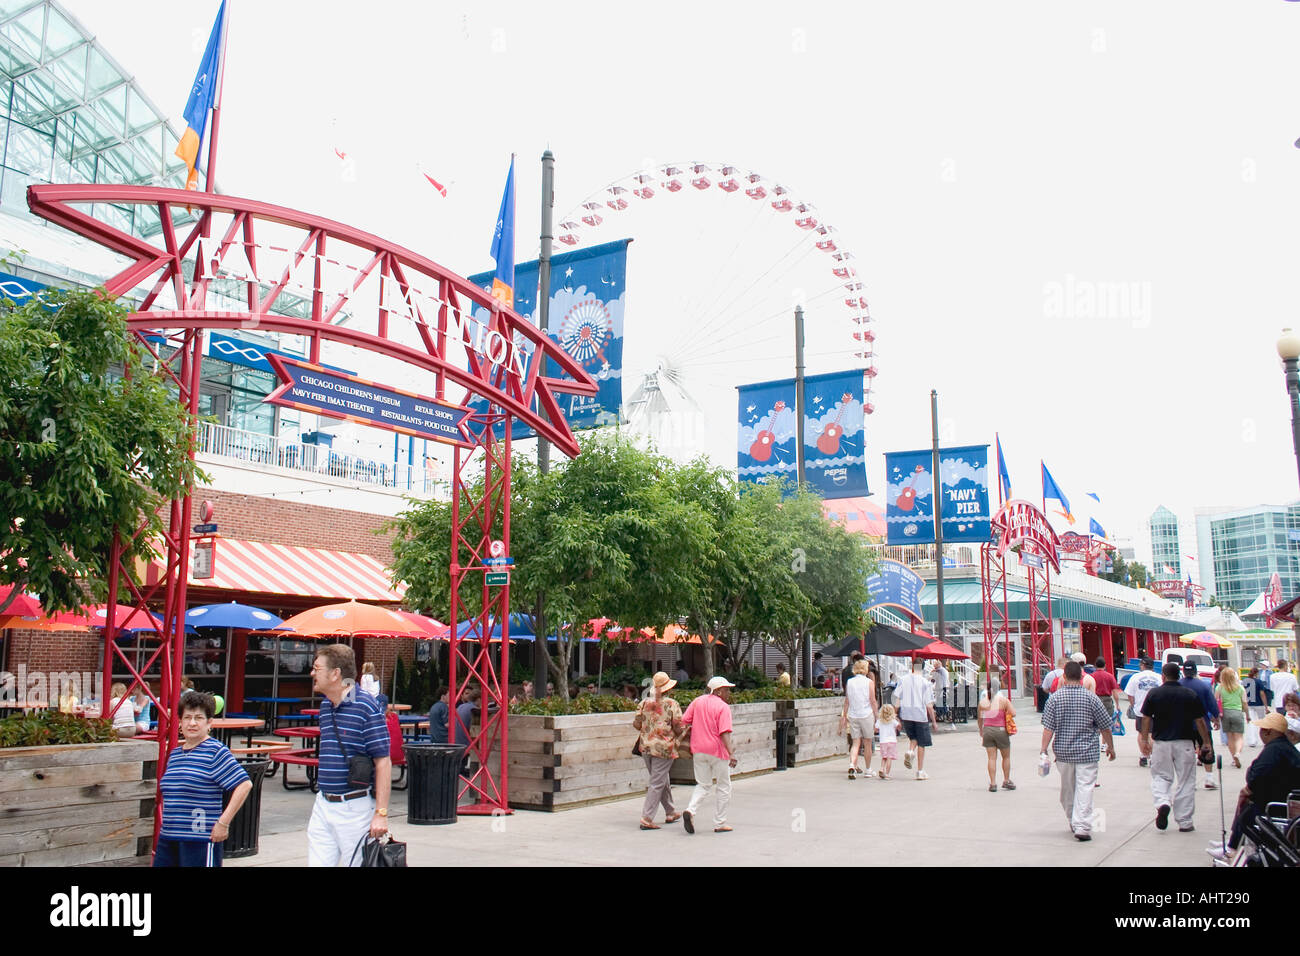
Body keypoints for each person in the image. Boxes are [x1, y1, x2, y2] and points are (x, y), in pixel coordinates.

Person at [307, 644, 391, 867]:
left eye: (317, 668)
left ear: (335, 674)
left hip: (354, 809)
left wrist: (381, 813)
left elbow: (383, 761)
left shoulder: (366, 707)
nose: (312, 673)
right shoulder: (326, 707)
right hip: (323, 803)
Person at [154, 691, 252, 867]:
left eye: (198, 718)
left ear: (209, 723)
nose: (192, 723)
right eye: (187, 717)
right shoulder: (175, 754)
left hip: (199, 839)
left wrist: (223, 823)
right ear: (180, 722)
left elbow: (244, 784)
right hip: (169, 837)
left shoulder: (215, 751)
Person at [1040, 660, 1116, 841]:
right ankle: (1082, 825)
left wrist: (1043, 749)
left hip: (1064, 752)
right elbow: (1105, 726)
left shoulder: (1055, 699)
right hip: (1087, 752)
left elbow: (1048, 728)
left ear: (1064, 677)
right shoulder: (1092, 698)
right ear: (1082, 677)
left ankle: (1073, 819)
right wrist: (1110, 747)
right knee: (1085, 787)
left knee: (1068, 788)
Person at [1139, 661, 1213, 834]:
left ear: (1163, 676)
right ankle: (1185, 821)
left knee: (1160, 776)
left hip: (1161, 742)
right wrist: (1205, 742)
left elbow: (1146, 718)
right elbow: (1200, 720)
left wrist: (1144, 739)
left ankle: (1163, 802)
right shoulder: (1189, 694)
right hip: (1185, 741)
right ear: (1179, 676)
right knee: (1186, 780)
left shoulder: (1154, 693)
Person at [1216, 713, 1300, 859]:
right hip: (1280, 796)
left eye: (1262, 730)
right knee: (1247, 802)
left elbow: (1255, 776)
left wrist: (1250, 780)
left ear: (1269, 732)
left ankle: (1233, 847)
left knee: (1248, 810)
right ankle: (1232, 845)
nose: (1260, 733)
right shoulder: (1281, 747)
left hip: (1277, 803)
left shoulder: (1275, 749)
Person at [681, 676, 737, 834]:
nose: (728, 693)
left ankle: (690, 810)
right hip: (717, 751)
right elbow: (724, 732)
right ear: (718, 691)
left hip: (698, 749)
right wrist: (731, 753)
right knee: (724, 786)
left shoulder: (698, 701)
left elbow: (685, 720)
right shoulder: (723, 707)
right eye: (726, 690)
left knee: (703, 784)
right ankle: (720, 823)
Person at [633, 672, 685, 829]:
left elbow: (636, 724)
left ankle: (670, 811)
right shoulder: (672, 704)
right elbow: (677, 726)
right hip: (664, 748)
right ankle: (647, 817)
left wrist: (649, 730)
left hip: (645, 747)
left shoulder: (643, 703)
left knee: (662, 779)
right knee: (657, 781)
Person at [1179, 659, 1221, 790]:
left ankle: (1189, 781)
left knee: (1187, 752)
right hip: (1202, 724)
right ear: (1196, 671)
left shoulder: (1178, 685)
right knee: (1207, 748)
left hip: (1182, 725)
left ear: (1183, 672)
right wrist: (1216, 718)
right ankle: (1209, 778)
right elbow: (1212, 704)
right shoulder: (1203, 686)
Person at [894, 658, 938, 780]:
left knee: (913, 738)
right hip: (920, 715)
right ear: (923, 668)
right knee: (922, 743)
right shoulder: (925, 683)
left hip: (906, 714)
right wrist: (934, 721)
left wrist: (895, 714)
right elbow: (929, 704)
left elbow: (897, 698)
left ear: (912, 666)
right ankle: (920, 770)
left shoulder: (903, 680)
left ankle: (910, 751)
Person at [838, 660, 876, 779]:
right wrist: (876, 715)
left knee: (855, 742)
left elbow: (847, 701)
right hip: (866, 714)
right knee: (867, 742)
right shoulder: (869, 682)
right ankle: (868, 769)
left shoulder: (850, 682)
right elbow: (872, 700)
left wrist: (844, 716)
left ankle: (852, 765)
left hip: (853, 714)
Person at [1123, 658, 1161, 767]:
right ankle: (1153, 756)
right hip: (1156, 710)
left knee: (1141, 733)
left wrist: (1133, 705)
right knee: (1153, 733)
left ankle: (1144, 755)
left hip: (1140, 710)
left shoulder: (1135, 677)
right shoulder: (1159, 678)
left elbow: (1130, 694)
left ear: (1143, 665)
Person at [978, 690, 1016, 792]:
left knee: (991, 758)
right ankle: (1006, 780)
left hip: (987, 730)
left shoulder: (982, 703)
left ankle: (993, 783)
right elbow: (1013, 713)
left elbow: (980, 718)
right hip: (1001, 730)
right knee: (1006, 757)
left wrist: (981, 730)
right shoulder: (1004, 701)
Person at [1215, 667, 1249, 769]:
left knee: (1230, 738)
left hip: (1225, 713)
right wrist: (1247, 715)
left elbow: (1216, 701)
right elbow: (1245, 703)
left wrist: (1216, 717)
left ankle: (1234, 759)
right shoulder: (1240, 688)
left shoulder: (1219, 688)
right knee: (1239, 737)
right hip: (1237, 712)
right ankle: (1238, 753)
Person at [875, 704, 901, 779]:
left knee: (884, 757)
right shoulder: (893, 721)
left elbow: (876, 729)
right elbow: (899, 727)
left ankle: (881, 768)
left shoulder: (879, 721)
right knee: (889, 758)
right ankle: (887, 774)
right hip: (892, 741)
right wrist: (898, 721)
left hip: (883, 742)